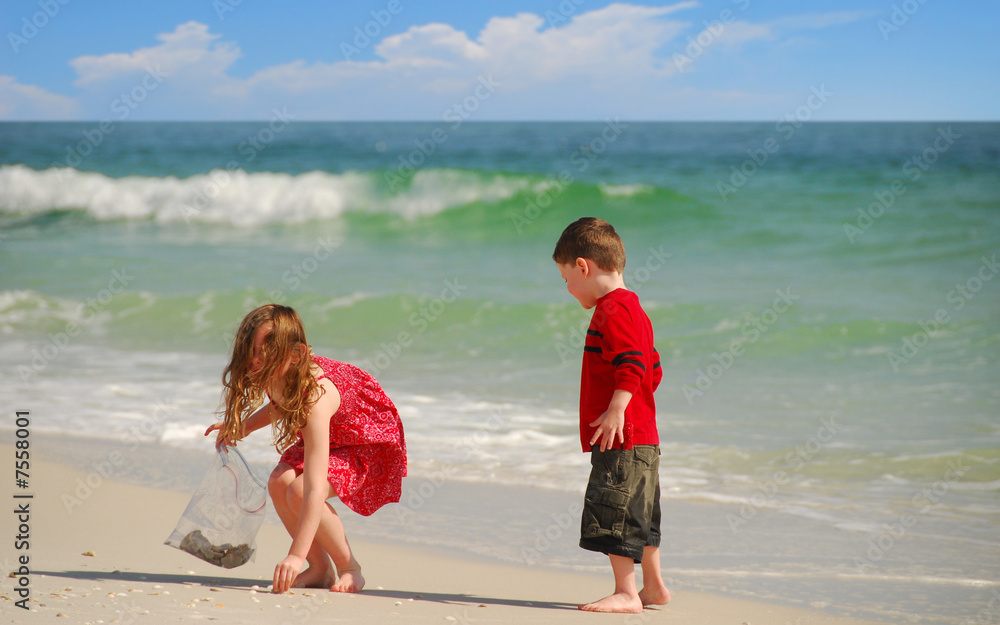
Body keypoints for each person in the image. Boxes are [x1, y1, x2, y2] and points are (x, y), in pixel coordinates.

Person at [205, 303, 406, 594]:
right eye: (250, 353)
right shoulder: (277, 371)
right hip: (334, 438)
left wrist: (293, 556)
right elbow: (279, 404)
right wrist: (242, 427)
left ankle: (351, 568)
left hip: (367, 444)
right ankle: (320, 568)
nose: (255, 362)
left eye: (264, 354)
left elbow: (314, 489)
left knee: (300, 491)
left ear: (296, 355)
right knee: (279, 481)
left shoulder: (315, 397)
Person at [552, 217, 671, 613]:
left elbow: (632, 364)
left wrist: (617, 408)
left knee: (614, 514)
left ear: (583, 266)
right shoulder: (635, 309)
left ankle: (626, 591)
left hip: (621, 438)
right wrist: (634, 405)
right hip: (645, 438)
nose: (567, 288)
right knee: (641, 517)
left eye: (566, 278)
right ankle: (653, 587)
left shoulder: (611, 311)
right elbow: (652, 369)